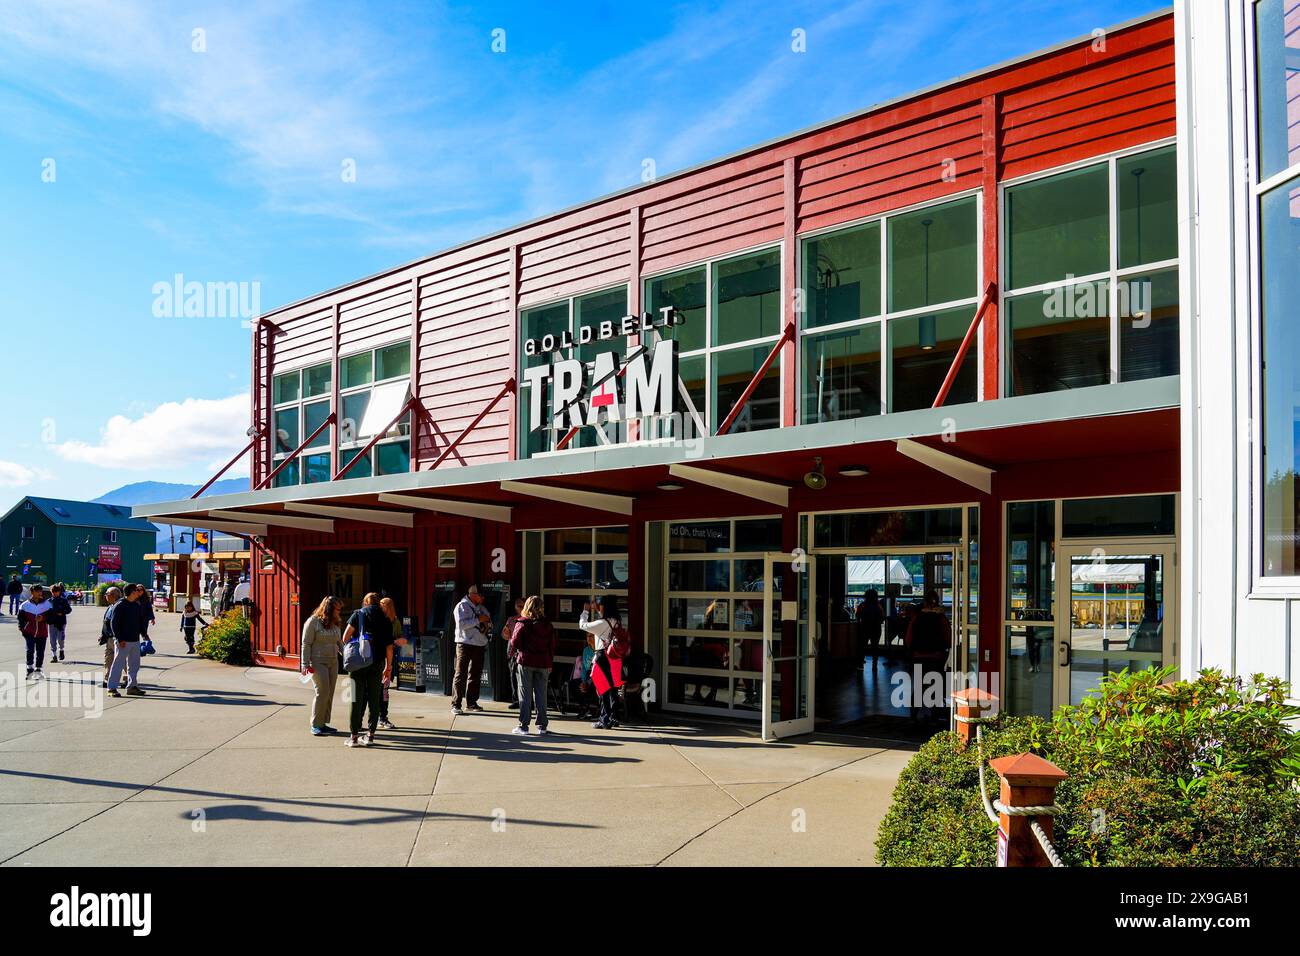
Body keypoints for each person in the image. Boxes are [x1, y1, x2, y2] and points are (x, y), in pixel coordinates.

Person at [341, 592, 395, 747]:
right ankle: (370, 736)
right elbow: (389, 648)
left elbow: (345, 637)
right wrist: (388, 667)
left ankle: (353, 737)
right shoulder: (385, 620)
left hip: (357, 663)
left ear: (365, 602)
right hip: (376, 663)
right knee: (374, 698)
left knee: (355, 699)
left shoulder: (357, 615)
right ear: (379, 604)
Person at [508, 595, 556, 736]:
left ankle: (524, 726)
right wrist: (549, 662)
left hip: (526, 661)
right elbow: (552, 646)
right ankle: (542, 726)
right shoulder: (548, 625)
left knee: (525, 694)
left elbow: (514, 642)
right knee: (541, 695)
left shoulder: (522, 623)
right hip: (544, 662)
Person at [905, 589, 952, 721]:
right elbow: (948, 639)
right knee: (936, 687)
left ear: (924, 602)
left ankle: (913, 716)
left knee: (919, 686)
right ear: (937, 602)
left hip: (919, 656)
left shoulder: (917, 618)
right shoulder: (941, 618)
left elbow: (908, 638)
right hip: (937, 657)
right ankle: (934, 717)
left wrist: (912, 651)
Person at [301, 596, 343, 736]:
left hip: (333, 661)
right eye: (337, 609)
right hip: (317, 662)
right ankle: (315, 724)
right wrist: (305, 664)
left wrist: (347, 654)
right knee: (322, 692)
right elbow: (306, 644)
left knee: (329, 693)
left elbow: (339, 642)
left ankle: (323, 723)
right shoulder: (313, 622)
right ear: (329, 609)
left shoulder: (335, 622)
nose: (339, 612)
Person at [579, 596, 623, 730]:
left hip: (602, 656)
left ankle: (604, 719)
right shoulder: (617, 621)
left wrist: (585, 611)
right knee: (614, 688)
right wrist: (597, 608)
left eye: (600, 604)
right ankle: (613, 717)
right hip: (615, 657)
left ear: (604, 606)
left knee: (603, 689)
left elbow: (582, 625)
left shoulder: (602, 623)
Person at [450, 584, 492, 715]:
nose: (483, 598)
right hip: (464, 644)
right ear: (473, 594)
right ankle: (456, 704)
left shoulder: (482, 608)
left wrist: (487, 626)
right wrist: (478, 619)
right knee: (460, 673)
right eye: (481, 595)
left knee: (475, 675)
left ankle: (471, 703)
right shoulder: (461, 606)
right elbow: (462, 625)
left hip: (479, 645)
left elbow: (490, 622)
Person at [106, 583, 146, 697]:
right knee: (118, 664)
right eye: (136, 590)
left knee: (134, 665)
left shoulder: (136, 605)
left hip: (135, 640)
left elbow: (140, 621)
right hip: (123, 641)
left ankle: (132, 686)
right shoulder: (120, 605)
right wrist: (119, 638)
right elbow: (114, 623)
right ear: (131, 592)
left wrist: (144, 634)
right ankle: (112, 688)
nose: (138, 592)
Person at [377, 597, 409, 730]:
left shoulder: (395, 621)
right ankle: (372, 718)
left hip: (388, 657)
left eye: (384, 605)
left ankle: (383, 717)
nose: (382, 607)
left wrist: (399, 641)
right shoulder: (376, 619)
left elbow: (399, 636)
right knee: (373, 690)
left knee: (384, 690)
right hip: (377, 657)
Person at [17, 584, 52, 680]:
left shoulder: (47, 604)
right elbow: (20, 619)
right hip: (29, 632)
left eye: (41, 591)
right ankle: (29, 669)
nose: (40, 593)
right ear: (32, 592)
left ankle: (39, 670)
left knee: (40, 652)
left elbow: (52, 618)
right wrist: (22, 629)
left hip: (42, 632)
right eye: (37, 591)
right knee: (30, 651)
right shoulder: (24, 605)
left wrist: (43, 618)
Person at [501, 598, 525, 710]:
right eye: (519, 606)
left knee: (524, 678)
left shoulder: (529, 620)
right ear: (515, 607)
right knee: (513, 677)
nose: (521, 608)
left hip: (524, 653)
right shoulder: (511, 620)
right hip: (512, 652)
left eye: (523, 606)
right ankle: (516, 700)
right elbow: (504, 635)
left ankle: (527, 701)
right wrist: (506, 633)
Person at [856, 588, 884, 670]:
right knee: (875, 647)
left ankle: (860, 665)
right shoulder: (878, 606)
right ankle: (874, 665)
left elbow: (858, 616)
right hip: (876, 628)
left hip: (864, 628)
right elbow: (882, 618)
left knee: (862, 647)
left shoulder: (862, 605)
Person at [99, 587, 122, 688]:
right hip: (109, 638)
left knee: (121, 660)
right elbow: (106, 622)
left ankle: (126, 679)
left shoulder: (119, 606)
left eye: (107, 594)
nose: (105, 596)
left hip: (116, 638)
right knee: (108, 659)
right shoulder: (110, 607)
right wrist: (103, 634)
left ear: (113, 595)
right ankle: (107, 678)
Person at [46, 583, 73, 663]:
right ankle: (54, 655)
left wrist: (62, 612)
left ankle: (61, 650)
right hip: (52, 622)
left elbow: (69, 610)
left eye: (56, 591)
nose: (55, 593)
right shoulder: (49, 601)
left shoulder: (63, 600)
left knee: (60, 638)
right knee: (52, 639)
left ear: (59, 591)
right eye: (53, 591)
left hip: (61, 622)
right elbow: (45, 611)